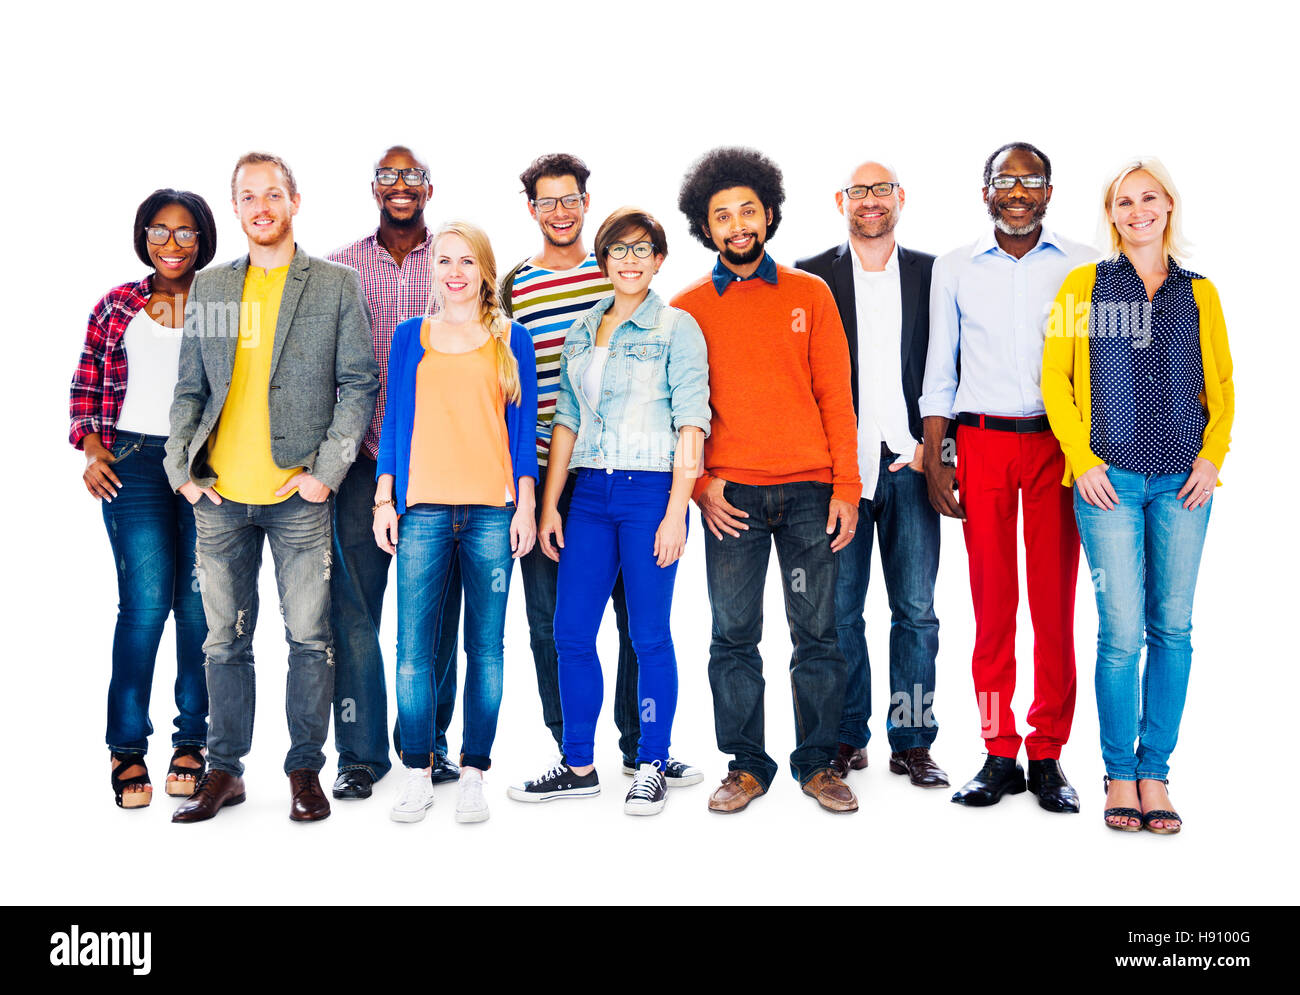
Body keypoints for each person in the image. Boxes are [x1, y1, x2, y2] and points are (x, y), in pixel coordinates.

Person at [167, 152, 378, 824]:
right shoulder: (215, 290)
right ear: (235, 208)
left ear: (294, 201)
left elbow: (359, 385)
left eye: (272, 194)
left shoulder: (334, 285)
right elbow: (192, 387)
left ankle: (305, 769)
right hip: (221, 496)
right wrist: (181, 470)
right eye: (248, 196)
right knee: (222, 640)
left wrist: (327, 473)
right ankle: (224, 770)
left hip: (297, 499)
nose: (261, 206)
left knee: (310, 638)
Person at [1042, 158, 1233, 834]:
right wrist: (1081, 458)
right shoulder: (1083, 285)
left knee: (1172, 629)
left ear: (1169, 207)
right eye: (1125, 201)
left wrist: (1212, 459)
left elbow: (1222, 387)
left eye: (1149, 198)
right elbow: (1057, 381)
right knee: (1121, 632)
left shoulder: (1200, 293)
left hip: (1184, 483)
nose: (1138, 210)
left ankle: (1157, 774)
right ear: (1112, 213)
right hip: (1110, 480)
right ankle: (1118, 771)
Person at [499, 154, 701, 786]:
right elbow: (565, 419)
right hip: (580, 491)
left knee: (647, 633)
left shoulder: (676, 325)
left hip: (647, 492)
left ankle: (650, 756)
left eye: (642, 251)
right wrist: (550, 501)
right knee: (565, 631)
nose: (629, 261)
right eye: (621, 252)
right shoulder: (580, 324)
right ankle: (577, 760)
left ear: (659, 259)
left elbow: (692, 422)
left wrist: (676, 510)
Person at [672, 147, 862, 814]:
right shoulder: (687, 307)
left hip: (812, 491)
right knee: (732, 635)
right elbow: (680, 411)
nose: (737, 224)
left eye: (748, 209)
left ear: (770, 213)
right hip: (731, 499)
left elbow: (837, 396)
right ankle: (747, 764)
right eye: (722, 215)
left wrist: (846, 486)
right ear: (707, 227)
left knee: (819, 634)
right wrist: (699, 488)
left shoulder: (811, 294)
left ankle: (818, 763)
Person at [919, 141, 1095, 813]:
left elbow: (1098, 363)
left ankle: (1047, 752)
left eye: (1032, 180)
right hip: (984, 443)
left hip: (1058, 445)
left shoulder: (1083, 264)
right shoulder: (956, 267)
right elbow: (941, 364)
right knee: (993, 609)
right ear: (984, 189)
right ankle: (998, 749)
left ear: (1049, 191)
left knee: (1052, 607)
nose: (1017, 191)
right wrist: (936, 455)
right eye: (1005, 179)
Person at [374, 221, 538, 825]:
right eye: (444, 260)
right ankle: (417, 770)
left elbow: (521, 434)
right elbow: (394, 421)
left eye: (467, 261)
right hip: (422, 512)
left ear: (484, 270)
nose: (454, 272)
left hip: (492, 515)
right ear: (432, 269)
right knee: (413, 651)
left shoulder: (510, 339)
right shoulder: (410, 335)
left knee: (485, 651)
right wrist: (384, 500)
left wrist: (524, 504)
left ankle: (473, 772)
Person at [796, 161, 950, 790]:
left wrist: (940, 449)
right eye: (859, 191)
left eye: (881, 190)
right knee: (838, 613)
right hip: (842, 470)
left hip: (912, 465)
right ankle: (843, 738)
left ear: (900, 198)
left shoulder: (934, 272)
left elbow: (956, 361)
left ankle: (912, 741)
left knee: (915, 610)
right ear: (842, 201)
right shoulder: (810, 275)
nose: (870, 201)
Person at [71, 188, 218, 808]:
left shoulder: (225, 306)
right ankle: (126, 747)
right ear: (144, 236)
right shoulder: (116, 304)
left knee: (200, 609)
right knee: (144, 605)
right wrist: (90, 449)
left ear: (203, 240)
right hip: (131, 463)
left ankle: (192, 742)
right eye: (160, 230)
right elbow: (84, 382)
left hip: (204, 467)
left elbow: (246, 390)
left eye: (186, 233)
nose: (172, 243)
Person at [326, 146, 462, 801]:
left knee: (434, 617)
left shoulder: (457, 266)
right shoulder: (341, 270)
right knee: (354, 614)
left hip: (442, 470)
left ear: (429, 188)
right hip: (361, 465)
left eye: (412, 175)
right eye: (389, 175)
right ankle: (359, 754)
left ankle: (427, 744)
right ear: (374, 187)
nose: (401, 185)